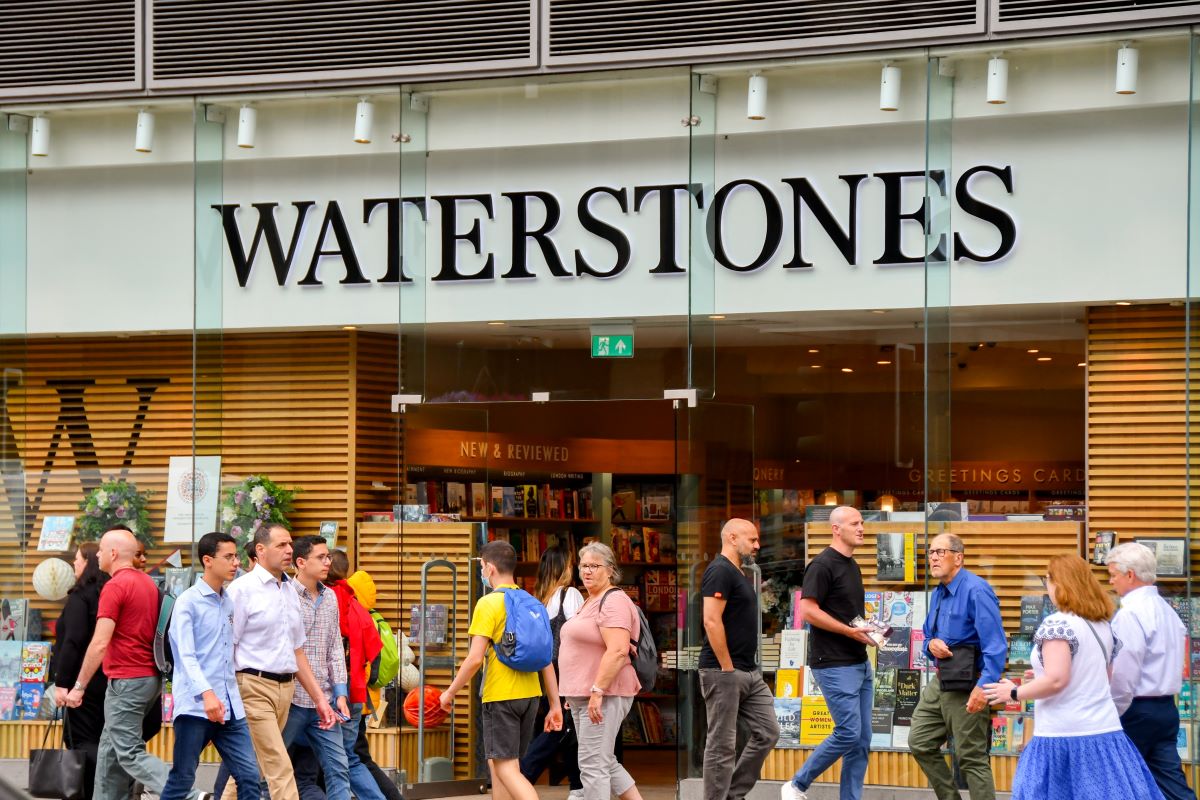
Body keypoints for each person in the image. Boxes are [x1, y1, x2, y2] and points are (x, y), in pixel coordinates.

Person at [982, 554, 1163, 800]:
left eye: (1047, 579)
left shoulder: (1057, 624)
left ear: (1059, 583)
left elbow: (1057, 680)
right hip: (1104, 732)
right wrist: (1041, 675)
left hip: (1063, 734)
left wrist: (1013, 692)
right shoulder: (1102, 625)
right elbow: (1102, 677)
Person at [63, 529, 200, 800]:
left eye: (102, 550)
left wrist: (78, 687)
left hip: (127, 679)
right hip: (149, 678)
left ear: (113, 553)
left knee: (127, 752)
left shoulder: (115, 586)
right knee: (109, 752)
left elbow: (99, 642)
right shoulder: (147, 583)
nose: (98, 555)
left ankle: (187, 794)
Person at [440, 540, 563, 800]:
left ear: (490, 568)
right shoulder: (533, 603)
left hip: (501, 696)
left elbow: (475, 659)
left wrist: (449, 692)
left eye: (482, 567)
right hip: (530, 696)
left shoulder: (488, 603)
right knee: (502, 764)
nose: (482, 572)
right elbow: (546, 660)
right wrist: (554, 705)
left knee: (506, 768)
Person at [221, 523, 337, 800]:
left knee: (253, 765)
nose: (289, 550)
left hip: (286, 689)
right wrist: (224, 694)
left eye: (290, 544)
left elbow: (297, 652)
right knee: (279, 764)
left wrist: (320, 699)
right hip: (252, 686)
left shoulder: (289, 591)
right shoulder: (242, 590)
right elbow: (226, 647)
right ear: (260, 550)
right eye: (281, 545)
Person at [782, 506, 876, 800]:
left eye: (862, 523)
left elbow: (847, 614)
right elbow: (808, 611)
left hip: (859, 662)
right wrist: (849, 631)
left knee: (861, 740)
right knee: (848, 732)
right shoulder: (821, 565)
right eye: (854, 523)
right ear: (836, 529)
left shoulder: (852, 565)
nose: (861, 528)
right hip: (833, 664)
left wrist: (869, 630)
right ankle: (796, 785)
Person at [160, 532, 261, 800]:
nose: (236, 563)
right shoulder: (188, 602)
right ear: (207, 560)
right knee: (183, 778)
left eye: (236, 556)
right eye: (228, 557)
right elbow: (185, 655)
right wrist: (207, 694)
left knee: (249, 776)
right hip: (196, 706)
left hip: (229, 705)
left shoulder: (228, 601)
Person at [908, 533, 1007, 800]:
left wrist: (983, 687)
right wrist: (931, 644)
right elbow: (927, 636)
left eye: (940, 552)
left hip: (969, 682)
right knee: (919, 741)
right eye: (931, 552)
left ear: (958, 558)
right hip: (942, 679)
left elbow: (995, 645)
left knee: (971, 757)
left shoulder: (977, 590)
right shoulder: (938, 593)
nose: (933, 557)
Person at [699, 519, 779, 800]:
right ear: (732, 538)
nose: (757, 545)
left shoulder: (739, 573)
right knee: (721, 745)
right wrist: (726, 667)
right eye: (752, 539)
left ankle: (733, 794)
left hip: (748, 671)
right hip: (723, 671)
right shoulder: (720, 570)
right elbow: (711, 620)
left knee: (768, 732)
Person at [557, 542, 643, 800]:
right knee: (604, 760)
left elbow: (618, 650)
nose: (587, 571)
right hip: (585, 695)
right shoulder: (591, 600)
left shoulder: (613, 601)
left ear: (610, 570)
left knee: (593, 765)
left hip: (604, 694)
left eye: (594, 566)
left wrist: (597, 690)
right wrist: (574, 691)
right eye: (583, 566)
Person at [1106, 543, 1190, 800]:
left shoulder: (1130, 614)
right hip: (1165, 708)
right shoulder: (1167, 611)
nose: (1111, 582)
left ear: (1130, 574)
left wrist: (1112, 711)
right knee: (1171, 782)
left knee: (1117, 781)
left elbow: (1123, 673)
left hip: (1135, 709)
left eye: (1113, 575)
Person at [303, 546, 384, 800]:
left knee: (314, 761)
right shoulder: (354, 601)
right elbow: (372, 646)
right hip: (354, 687)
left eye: (325, 558)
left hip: (324, 689)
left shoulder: (328, 598)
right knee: (349, 758)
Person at [520, 547, 585, 799]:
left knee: (567, 727)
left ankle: (577, 787)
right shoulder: (570, 594)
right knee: (563, 726)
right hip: (566, 668)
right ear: (564, 567)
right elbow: (578, 634)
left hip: (545, 670)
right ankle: (523, 775)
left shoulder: (539, 599)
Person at [49, 543, 109, 800]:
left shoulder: (80, 597)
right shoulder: (106, 593)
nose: (74, 563)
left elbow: (72, 641)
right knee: (98, 738)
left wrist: (62, 683)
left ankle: (87, 792)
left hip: (81, 681)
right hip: (105, 679)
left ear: (88, 563)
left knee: (81, 741)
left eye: (78, 559)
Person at [344, 569, 404, 800]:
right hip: (367, 698)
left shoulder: (355, 616)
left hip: (356, 695)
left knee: (356, 758)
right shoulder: (374, 616)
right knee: (356, 757)